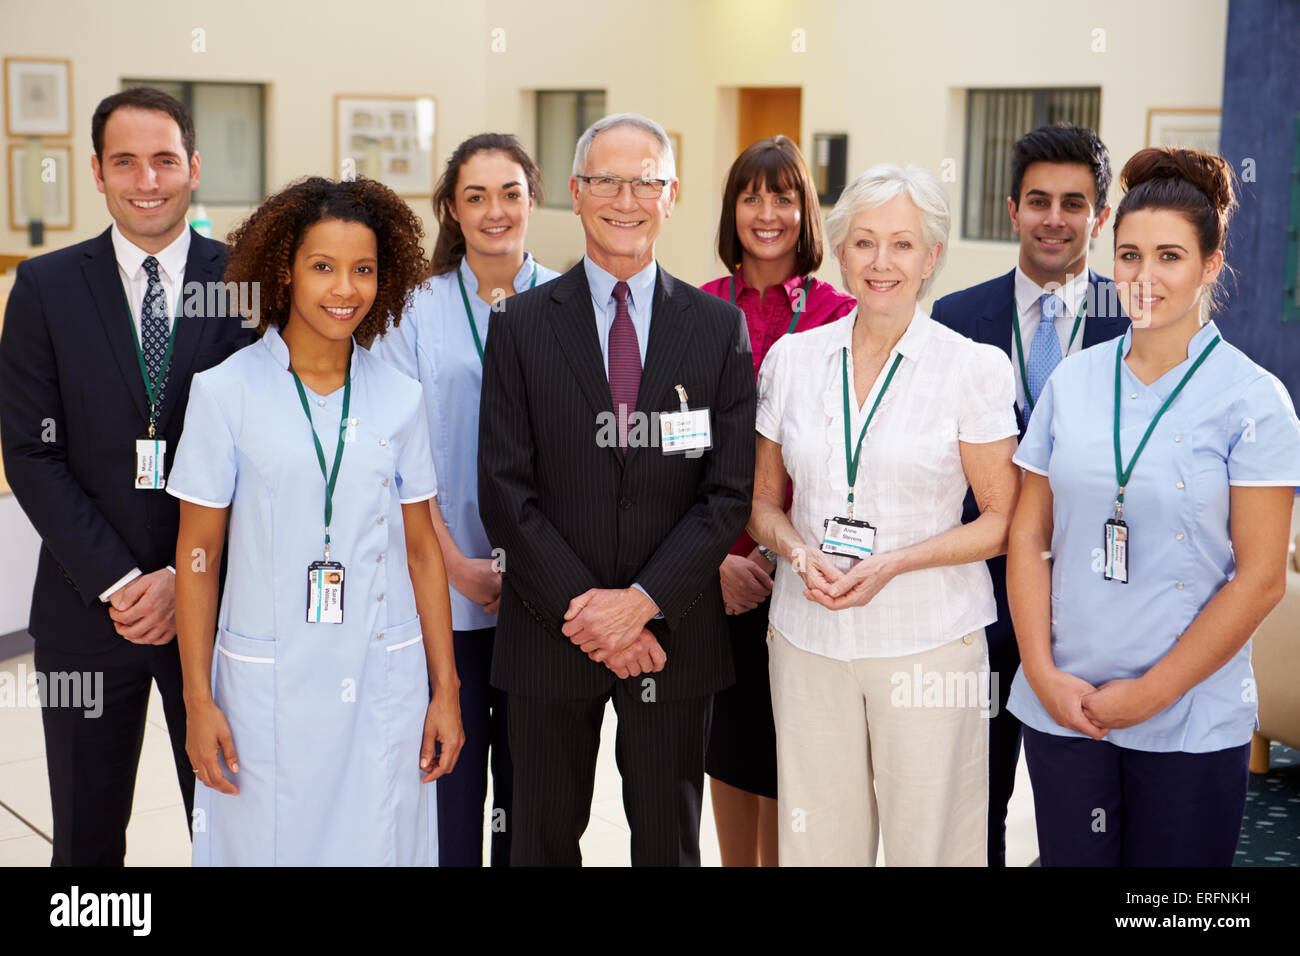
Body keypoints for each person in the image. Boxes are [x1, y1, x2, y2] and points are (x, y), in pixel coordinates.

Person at [1006, 147, 1300, 867]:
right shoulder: (1072, 383)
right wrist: (1042, 674)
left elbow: (1261, 577)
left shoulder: (1253, 400)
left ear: (1210, 263)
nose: (1144, 278)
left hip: (1190, 717)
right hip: (1066, 705)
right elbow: (1027, 536)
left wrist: (1147, 695)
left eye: (1170, 256)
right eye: (1130, 255)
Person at [477, 113, 756, 866]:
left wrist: (639, 606)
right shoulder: (521, 325)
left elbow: (726, 494)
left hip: (674, 635)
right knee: (536, 840)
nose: (625, 198)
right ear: (574, 192)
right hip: (547, 631)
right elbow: (505, 488)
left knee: (667, 845)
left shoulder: (718, 328)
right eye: (605, 180)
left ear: (672, 197)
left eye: (646, 182)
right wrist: (588, 611)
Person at [169, 176, 464, 866]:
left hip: (380, 674)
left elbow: (422, 551)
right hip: (265, 683)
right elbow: (196, 558)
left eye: (363, 270)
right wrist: (197, 701)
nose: (345, 289)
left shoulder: (399, 397)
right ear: (284, 271)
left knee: (379, 842)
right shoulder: (226, 393)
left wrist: (443, 691)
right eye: (323, 267)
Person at [0, 87, 255, 866]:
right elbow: (30, 453)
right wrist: (121, 579)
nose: (148, 179)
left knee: (227, 825)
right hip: (89, 609)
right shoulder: (45, 287)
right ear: (97, 172)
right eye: (126, 162)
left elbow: (265, 452)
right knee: (85, 836)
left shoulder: (249, 281)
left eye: (165, 160)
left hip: (217, 609)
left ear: (194, 168)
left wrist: (185, 576)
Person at [748, 163, 1021, 866]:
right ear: (841, 252)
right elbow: (760, 504)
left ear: (931, 257)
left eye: (902, 244)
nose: (881, 261)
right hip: (808, 635)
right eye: (865, 242)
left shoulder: (973, 368)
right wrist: (799, 554)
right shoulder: (792, 360)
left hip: (927, 637)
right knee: (817, 847)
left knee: (927, 844)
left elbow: (1002, 520)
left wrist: (896, 562)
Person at [930, 123, 1128, 865]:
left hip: (1091, 613)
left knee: (1080, 818)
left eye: (1074, 203)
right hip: (976, 610)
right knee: (971, 803)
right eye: (1038, 200)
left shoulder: (1134, 323)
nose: (1054, 217)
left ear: (1099, 218)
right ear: (1012, 209)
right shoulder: (954, 319)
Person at [369, 133, 560, 867]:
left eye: (510, 192)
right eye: (475, 195)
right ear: (452, 207)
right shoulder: (413, 309)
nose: (494, 210)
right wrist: (455, 564)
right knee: (447, 779)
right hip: (441, 588)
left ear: (532, 199)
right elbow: (391, 454)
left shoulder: (566, 302)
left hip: (542, 595)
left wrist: (536, 569)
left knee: (529, 789)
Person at [698, 135, 855, 867]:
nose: (767, 213)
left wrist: (772, 548)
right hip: (714, 572)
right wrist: (721, 559)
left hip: (808, 568)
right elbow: (674, 454)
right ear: (731, 209)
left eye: (784, 196)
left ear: (806, 210)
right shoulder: (697, 309)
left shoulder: (841, 315)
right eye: (751, 196)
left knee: (792, 747)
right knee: (728, 743)